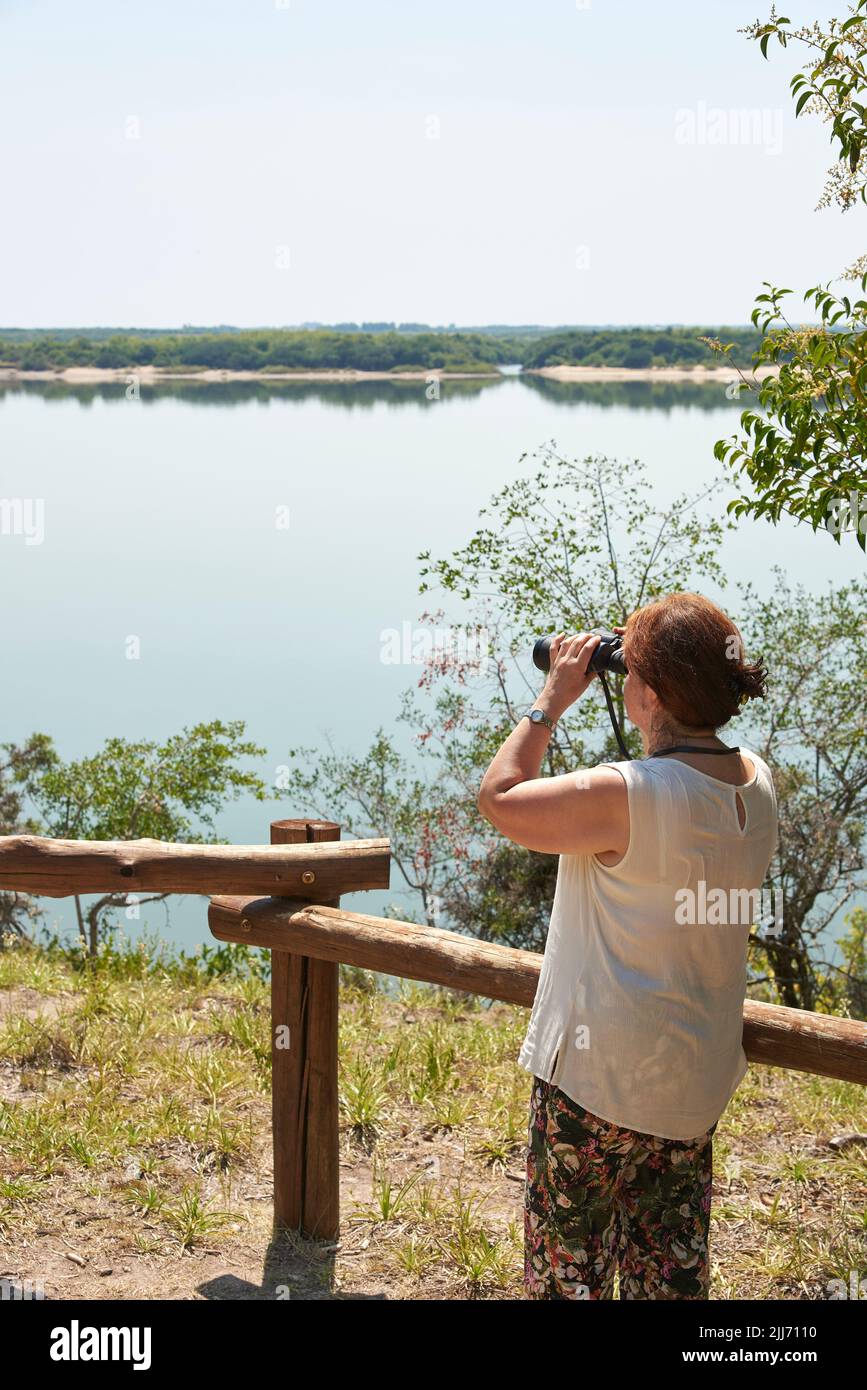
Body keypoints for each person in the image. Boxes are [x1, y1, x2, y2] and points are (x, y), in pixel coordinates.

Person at [477, 592, 778, 1300]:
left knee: (567, 1279)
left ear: (643, 692)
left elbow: (499, 797)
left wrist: (552, 697)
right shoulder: (755, 782)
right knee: (665, 1279)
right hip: (690, 1084)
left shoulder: (630, 793)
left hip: (597, 1084)